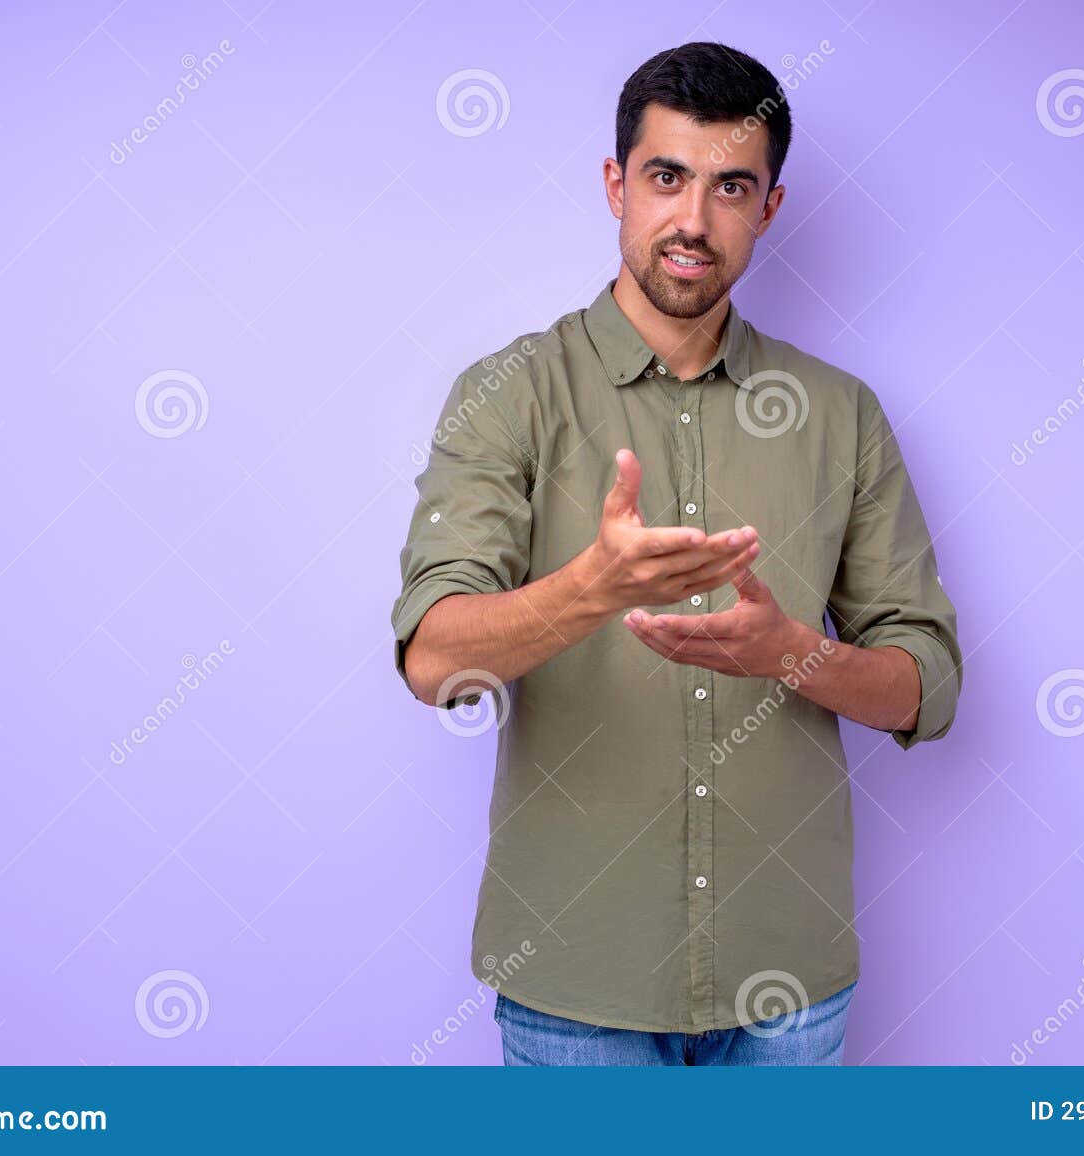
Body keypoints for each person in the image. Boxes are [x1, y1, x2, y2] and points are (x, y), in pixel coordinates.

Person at [391, 41, 962, 1066]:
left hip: (787, 988)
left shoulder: (842, 416)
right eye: (666, 177)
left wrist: (793, 653)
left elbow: (926, 689)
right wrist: (588, 588)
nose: (693, 220)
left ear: (768, 208)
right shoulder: (508, 393)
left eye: (730, 187)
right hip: (577, 985)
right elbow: (435, 663)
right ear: (617, 184)